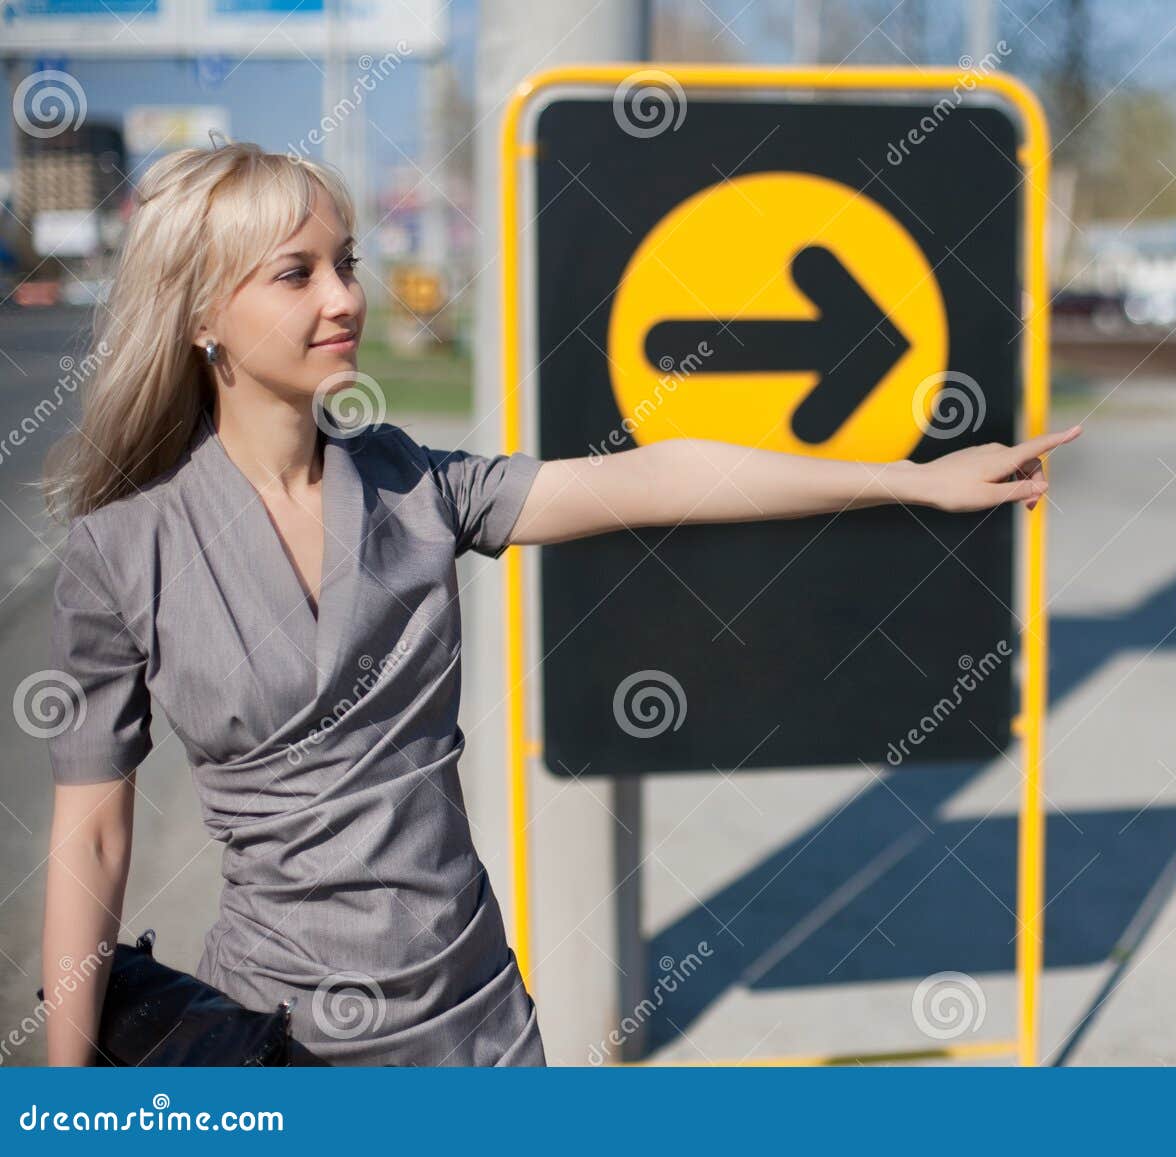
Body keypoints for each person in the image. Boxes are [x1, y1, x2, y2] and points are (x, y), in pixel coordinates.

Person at [36, 140, 1082, 1066]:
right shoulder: (122, 550)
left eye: (347, 263)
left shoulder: (414, 485)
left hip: (475, 1021)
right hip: (271, 1037)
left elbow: (659, 478)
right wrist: (66, 1090)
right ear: (202, 313)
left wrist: (913, 478)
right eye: (297, 273)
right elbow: (90, 841)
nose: (345, 297)